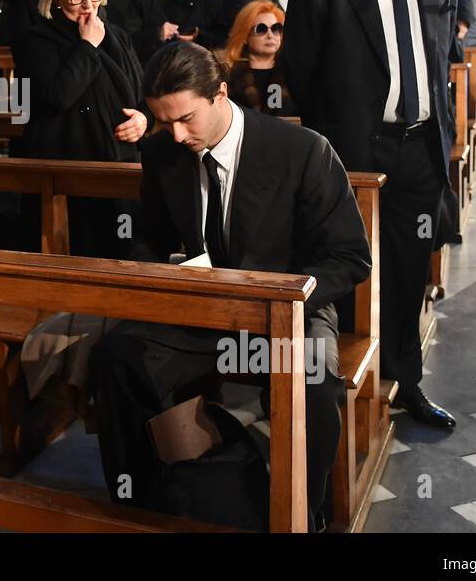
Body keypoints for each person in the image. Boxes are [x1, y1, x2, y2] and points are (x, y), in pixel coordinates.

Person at [89, 41, 370, 530]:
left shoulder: (301, 149)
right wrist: (158, 274)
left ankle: (304, 516)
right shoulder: (161, 152)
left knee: (312, 378)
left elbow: (349, 257)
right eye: (164, 121)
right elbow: (151, 241)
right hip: (205, 308)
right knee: (117, 357)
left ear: (220, 95)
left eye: (186, 119)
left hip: (291, 309)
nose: (176, 135)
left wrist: (280, 295)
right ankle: (146, 508)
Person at [285, 0, 459, 430]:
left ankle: (406, 382)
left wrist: (444, 131)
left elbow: (439, 58)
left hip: (420, 147)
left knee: (411, 269)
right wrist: (330, 141)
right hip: (356, 150)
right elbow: (302, 68)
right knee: (352, 267)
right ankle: (346, 392)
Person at [17, 0, 146, 258]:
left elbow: (142, 93)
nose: (88, 4)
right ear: (57, 0)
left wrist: (144, 120)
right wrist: (87, 45)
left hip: (120, 162)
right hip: (70, 167)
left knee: (124, 250)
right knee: (81, 251)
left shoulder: (116, 34)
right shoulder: (36, 40)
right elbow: (57, 97)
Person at [222, 0, 297, 117]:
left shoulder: (294, 73)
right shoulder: (227, 75)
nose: (270, 35)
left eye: (276, 28)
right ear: (245, 35)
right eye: (261, 29)